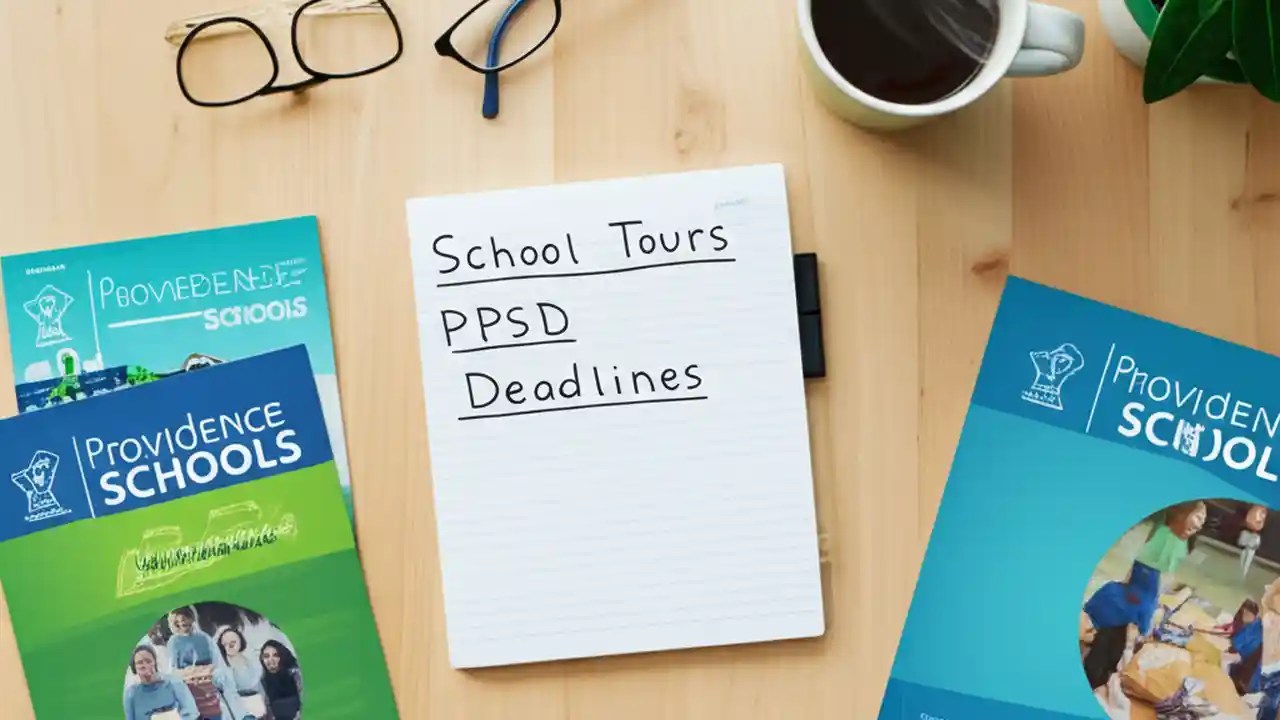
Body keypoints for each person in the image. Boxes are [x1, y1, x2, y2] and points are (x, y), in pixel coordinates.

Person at [1082, 560, 1162, 690]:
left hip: (1094, 637)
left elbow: (1088, 607)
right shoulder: (1145, 606)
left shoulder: (1111, 587)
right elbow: (1144, 630)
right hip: (1112, 651)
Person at [165, 608, 256, 720]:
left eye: (184, 619)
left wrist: (208, 670)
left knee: (224, 675)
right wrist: (192, 672)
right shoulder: (174, 642)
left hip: (209, 673)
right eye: (177, 621)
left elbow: (216, 662)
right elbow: (173, 670)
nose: (182, 623)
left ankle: (241, 715)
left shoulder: (204, 637)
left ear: (191, 618)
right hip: (187, 676)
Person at [123, 645, 198, 720]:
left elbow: (191, 712)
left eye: (148, 661)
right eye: (140, 663)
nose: (145, 666)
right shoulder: (131, 694)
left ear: (155, 663)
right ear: (134, 668)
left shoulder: (173, 683)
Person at [217, 627, 267, 719]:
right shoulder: (222, 667)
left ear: (240, 641)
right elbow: (228, 695)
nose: (229, 646)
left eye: (233, 643)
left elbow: (260, 686)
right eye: (224, 644)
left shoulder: (251, 661)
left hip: (259, 707)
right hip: (238, 711)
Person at [260, 640, 304, 720]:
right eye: (266, 656)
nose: (271, 660)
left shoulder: (294, 675)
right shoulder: (262, 682)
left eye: (275, 655)